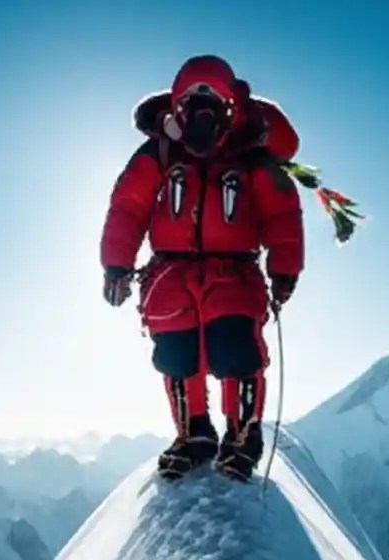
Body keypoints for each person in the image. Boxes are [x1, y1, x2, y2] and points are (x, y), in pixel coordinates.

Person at [99, 55, 304, 482]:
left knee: (236, 350)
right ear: (177, 106)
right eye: (193, 101)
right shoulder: (159, 151)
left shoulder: (251, 156)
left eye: (212, 103)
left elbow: (281, 212)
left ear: (231, 108)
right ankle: (194, 434)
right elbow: (129, 206)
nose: (202, 114)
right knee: (176, 354)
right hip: (170, 274)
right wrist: (116, 263)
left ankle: (242, 436)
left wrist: (285, 266)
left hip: (235, 272)